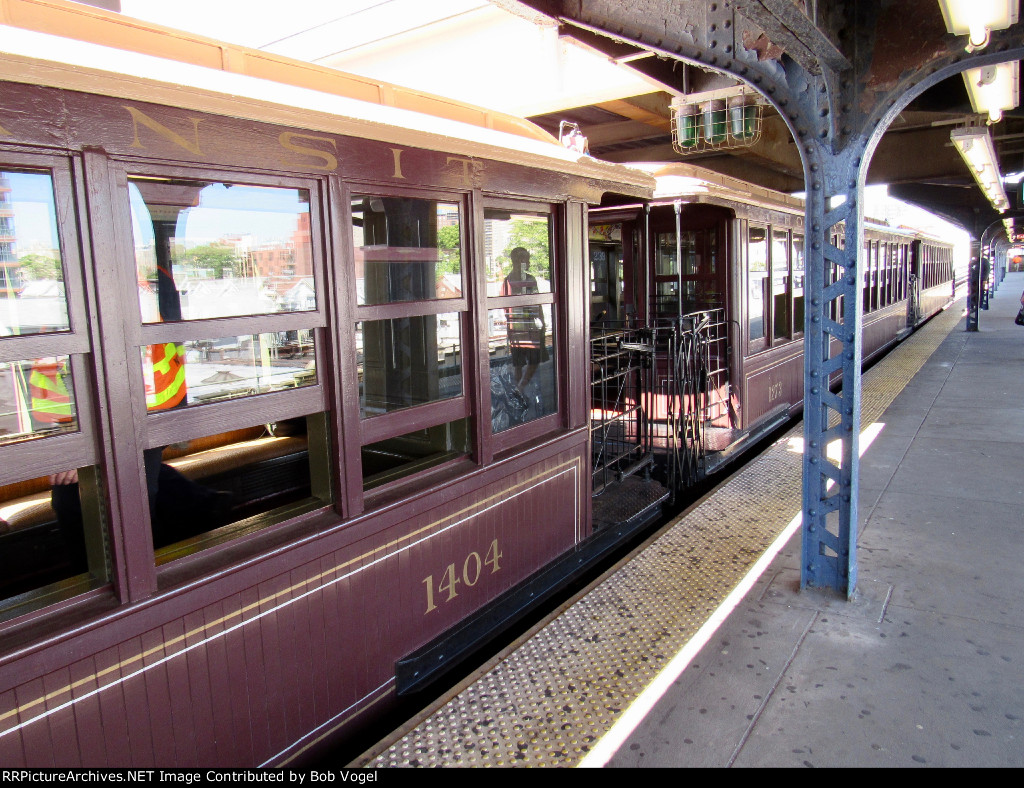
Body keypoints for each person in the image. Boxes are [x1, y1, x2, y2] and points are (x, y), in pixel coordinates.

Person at [501, 247, 547, 404]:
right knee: (532, 361)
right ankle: (519, 389)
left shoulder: (507, 280)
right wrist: (541, 322)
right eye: (525, 259)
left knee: (519, 364)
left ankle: (519, 391)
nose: (528, 262)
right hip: (528, 329)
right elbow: (536, 303)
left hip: (515, 328)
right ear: (517, 261)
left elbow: (505, 306)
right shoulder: (527, 279)